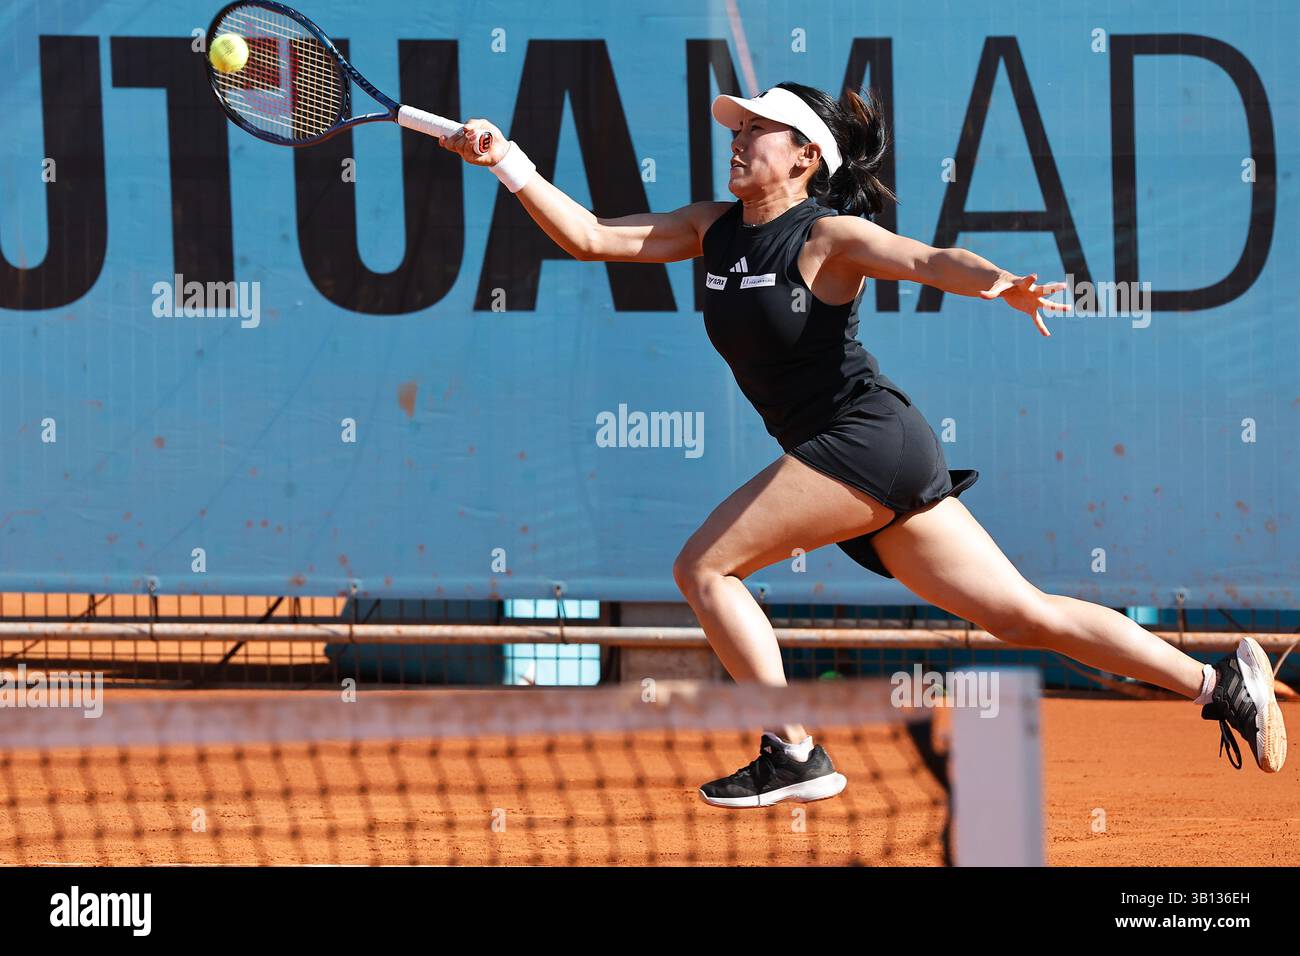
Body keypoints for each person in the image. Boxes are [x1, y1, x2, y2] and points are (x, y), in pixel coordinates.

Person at [436, 82, 1287, 807]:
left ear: (805, 156)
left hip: (865, 439)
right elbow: (589, 237)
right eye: (735, 130)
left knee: (704, 567)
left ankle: (795, 748)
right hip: (866, 455)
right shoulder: (711, 228)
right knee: (1021, 613)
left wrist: (995, 283)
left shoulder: (825, 238)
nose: (737, 141)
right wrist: (508, 161)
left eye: (755, 130)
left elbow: (922, 259)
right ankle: (1220, 685)